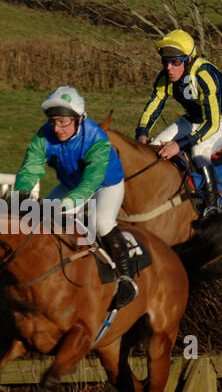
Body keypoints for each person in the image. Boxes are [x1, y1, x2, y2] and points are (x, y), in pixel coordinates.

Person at [13, 86, 138, 308]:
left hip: (105, 184)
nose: (57, 128)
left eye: (63, 122)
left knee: (101, 222)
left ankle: (127, 279)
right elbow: (31, 168)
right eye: (53, 121)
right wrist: (21, 195)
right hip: (70, 183)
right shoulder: (45, 135)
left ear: (79, 119)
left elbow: (90, 183)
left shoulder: (96, 140)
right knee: (43, 220)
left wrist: (66, 205)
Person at [135, 29, 222, 218]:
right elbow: (153, 107)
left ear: (189, 59)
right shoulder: (165, 78)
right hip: (193, 120)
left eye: (176, 62)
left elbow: (212, 124)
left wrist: (180, 144)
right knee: (154, 146)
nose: (169, 67)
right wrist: (142, 133)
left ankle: (212, 205)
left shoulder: (205, 76)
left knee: (199, 150)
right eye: (165, 61)